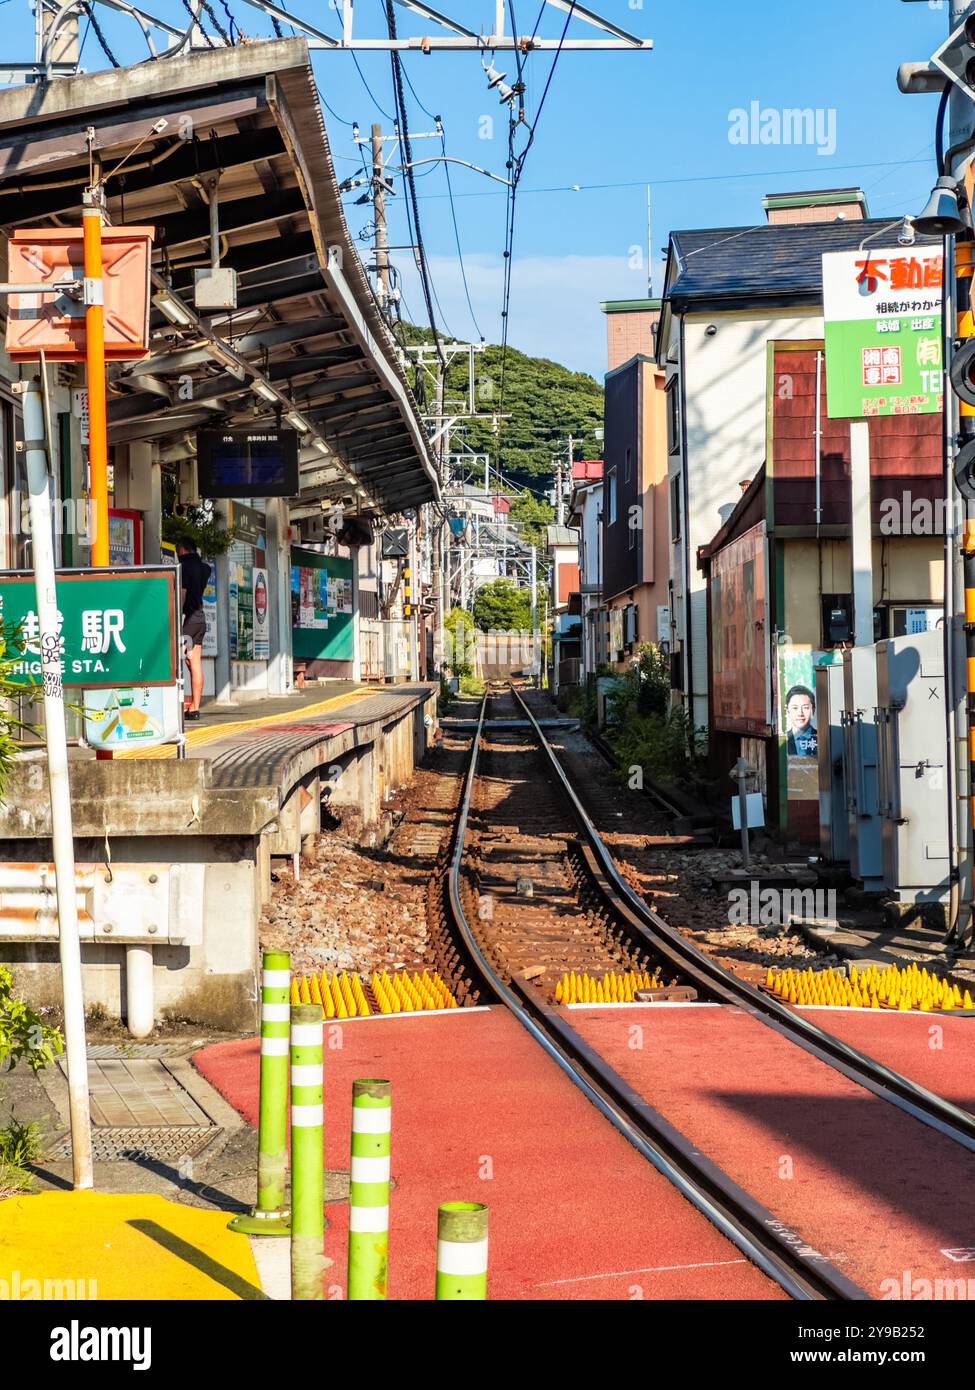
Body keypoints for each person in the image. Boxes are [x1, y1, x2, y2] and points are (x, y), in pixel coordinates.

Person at [177, 538, 210, 721]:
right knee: (193, 663)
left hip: (189, 620)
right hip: (200, 618)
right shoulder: (204, 568)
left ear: (181, 550)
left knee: (177, 656)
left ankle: (181, 704)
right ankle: (194, 708)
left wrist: (175, 614)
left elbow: (182, 594)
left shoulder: (183, 567)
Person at [785, 684, 817, 757]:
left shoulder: (821, 738)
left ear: (813, 710)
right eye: (795, 708)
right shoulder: (783, 740)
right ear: (787, 711)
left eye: (805, 708)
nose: (800, 713)